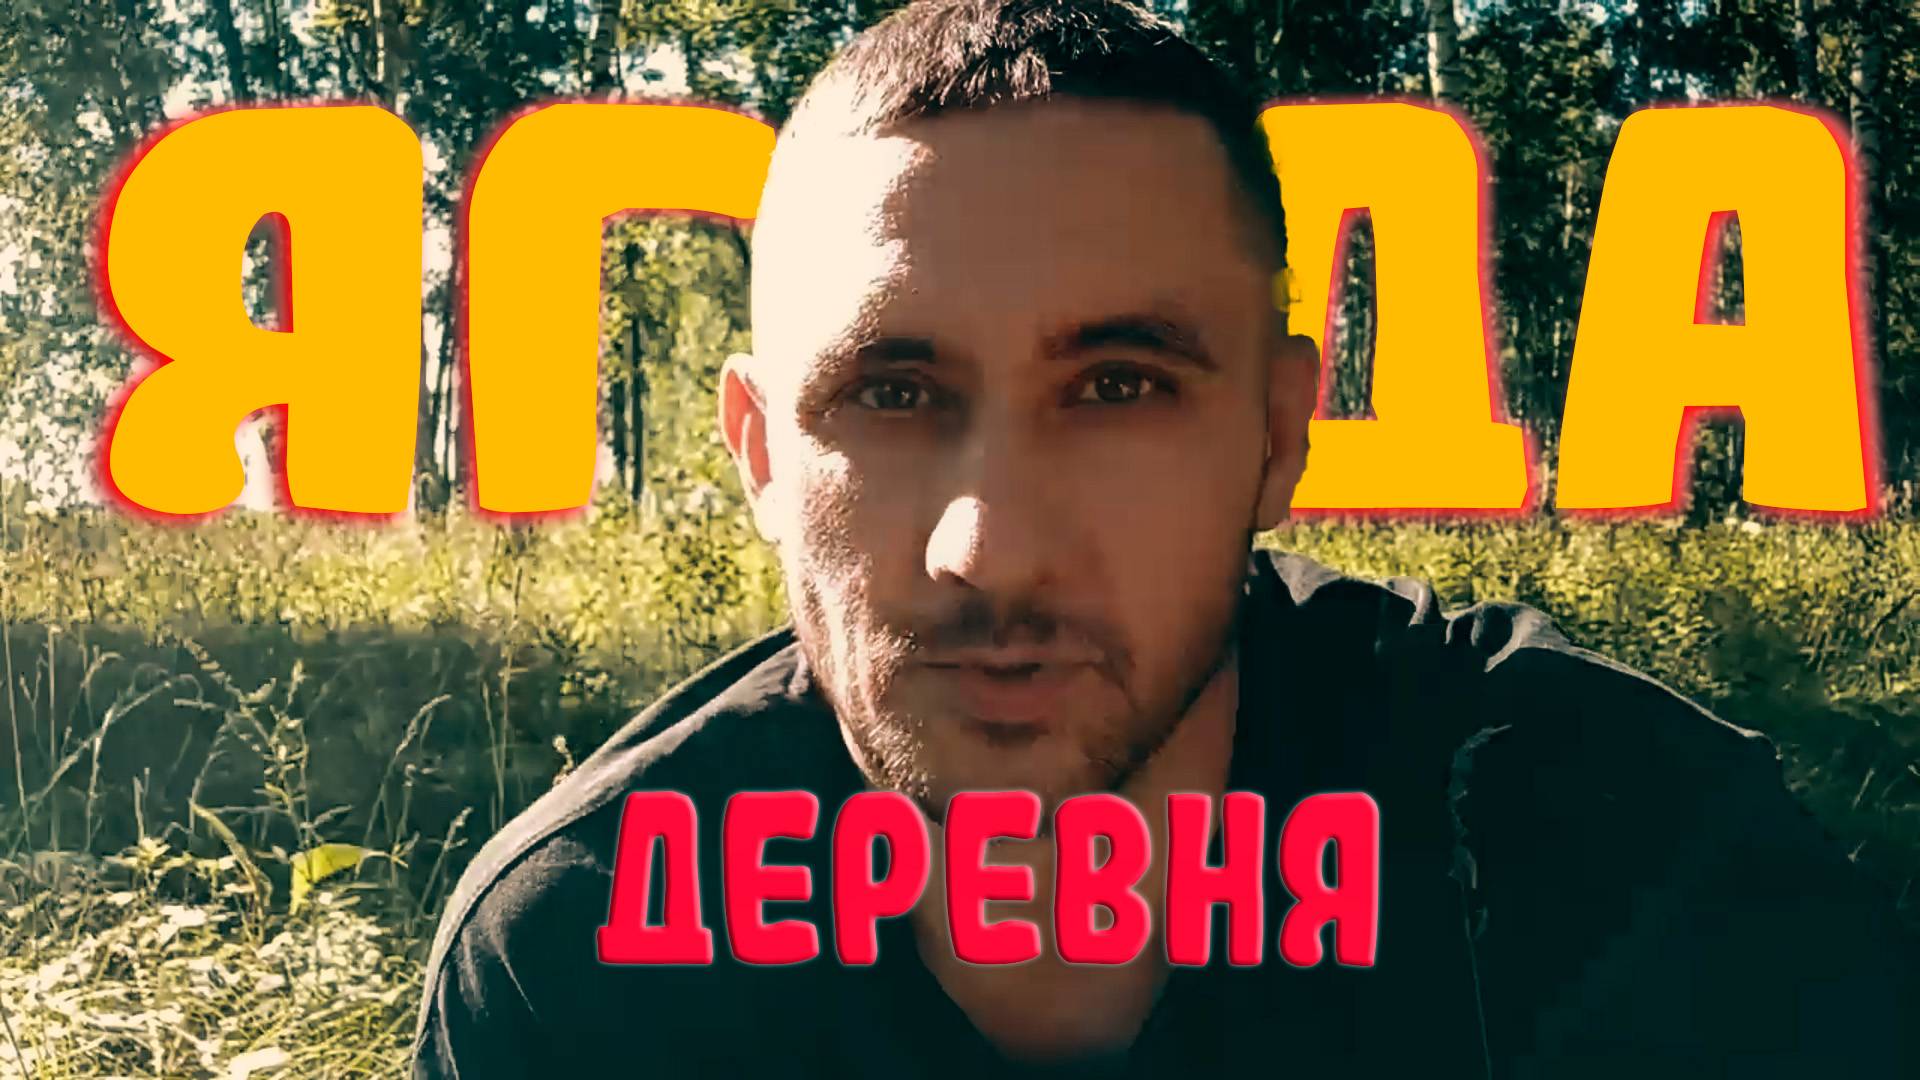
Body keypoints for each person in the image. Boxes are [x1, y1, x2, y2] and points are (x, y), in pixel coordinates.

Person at [412, 1, 1918, 1075]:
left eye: (1119, 387)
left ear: (1275, 435)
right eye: (892, 393)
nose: (989, 553)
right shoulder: (580, 966)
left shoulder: (1623, 864)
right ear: (757, 452)